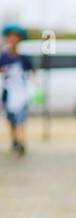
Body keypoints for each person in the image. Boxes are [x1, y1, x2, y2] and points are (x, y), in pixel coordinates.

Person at [0, 24, 33, 156]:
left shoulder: (24, 58)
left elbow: (31, 74)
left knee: (21, 119)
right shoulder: (3, 57)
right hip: (8, 93)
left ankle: (21, 142)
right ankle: (15, 141)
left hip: (21, 94)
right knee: (11, 119)